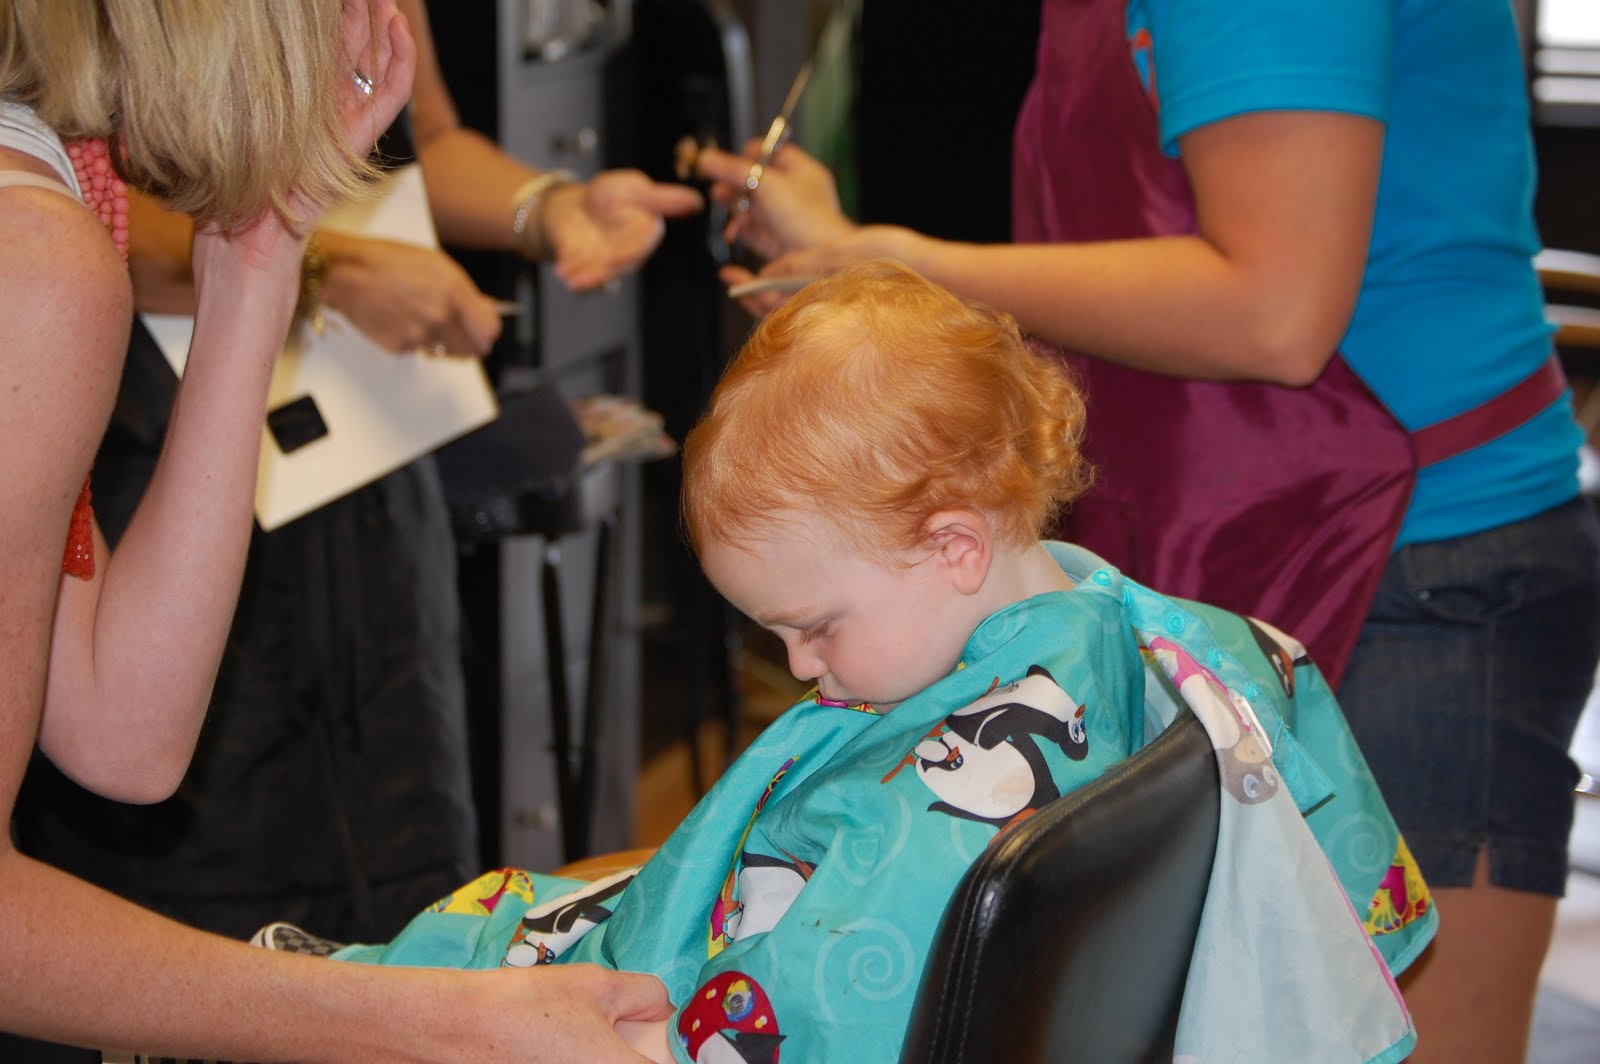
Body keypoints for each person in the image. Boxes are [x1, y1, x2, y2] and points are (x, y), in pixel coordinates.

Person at [691, 3, 1600, 1059]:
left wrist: (901, 264)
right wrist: (857, 255)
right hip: (1235, 509)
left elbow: (1277, 307)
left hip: (1417, 548)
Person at [304, 262, 1434, 1063]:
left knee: (446, 964)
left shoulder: (957, 790)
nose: (802, 667)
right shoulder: (1145, 628)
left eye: (814, 625)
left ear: (953, 546)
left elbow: (822, 999)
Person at [0, 1, 670, 1058]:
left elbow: (123, 733)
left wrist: (262, 252)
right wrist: (434, 1022)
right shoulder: (39, 258)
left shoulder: (57, 181)